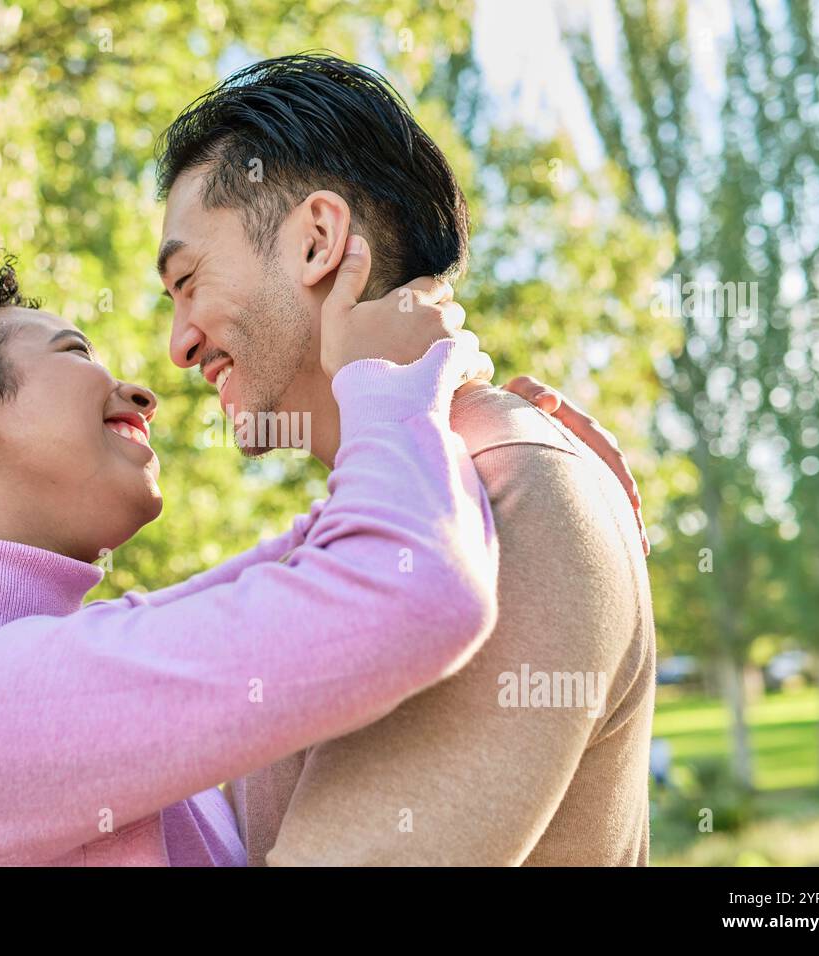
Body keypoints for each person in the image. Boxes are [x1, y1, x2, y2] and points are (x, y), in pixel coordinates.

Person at [0, 246, 500, 865]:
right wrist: (389, 383)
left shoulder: (0, 669)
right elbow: (413, 591)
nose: (142, 390)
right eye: (74, 349)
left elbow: (314, 562)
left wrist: (507, 436)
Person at [155, 53, 656, 864]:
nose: (178, 345)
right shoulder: (409, 512)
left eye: (187, 281)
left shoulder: (502, 490)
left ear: (318, 240)